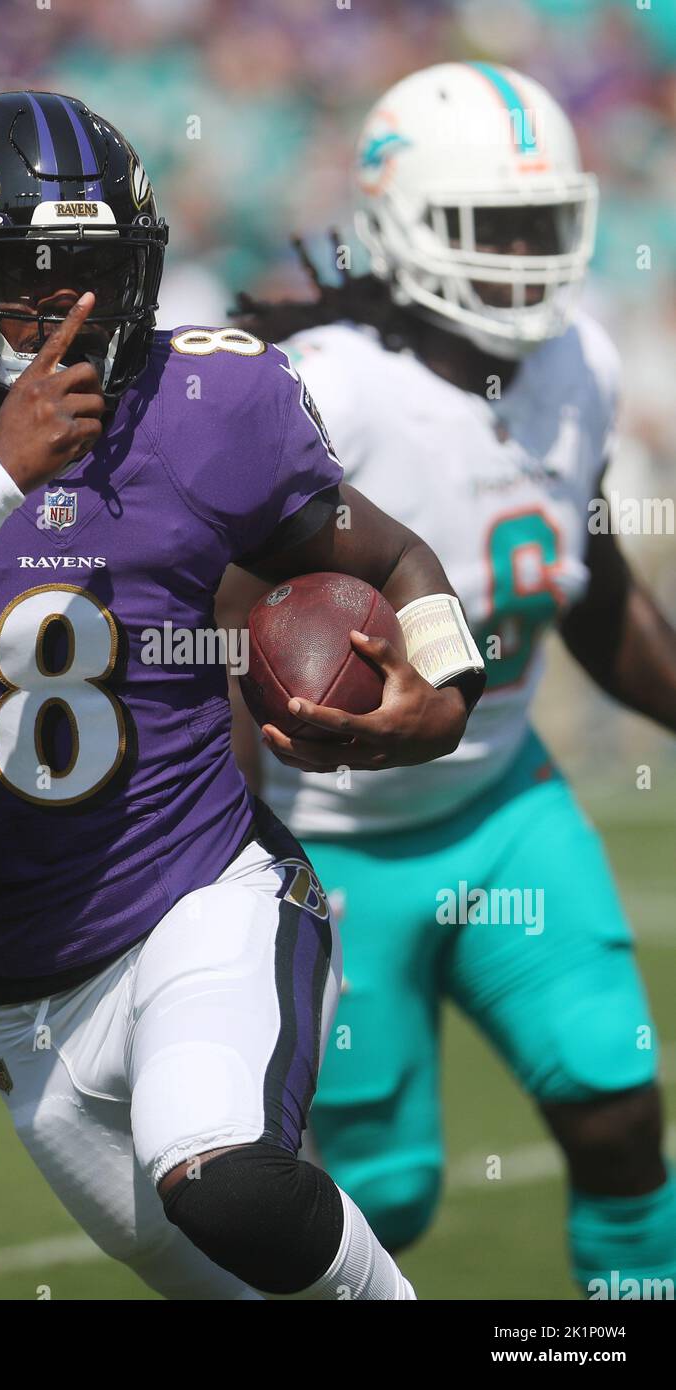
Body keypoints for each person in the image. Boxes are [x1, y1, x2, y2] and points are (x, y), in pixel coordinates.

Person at [0, 91, 485, 1300]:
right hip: (18, 1000)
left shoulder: (204, 396)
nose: (70, 311)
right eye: (25, 277)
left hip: (202, 894)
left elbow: (389, 557)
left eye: (96, 272)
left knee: (225, 1174)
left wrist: (443, 688)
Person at [227, 62, 676, 1296]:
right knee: (389, 1198)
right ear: (400, 222)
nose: (526, 257)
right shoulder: (325, 384)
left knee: (616, 1106)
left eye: (543, 226)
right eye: (494, 229)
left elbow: (591, 593)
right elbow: (217, 636)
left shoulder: (576, 359)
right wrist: (223, 861)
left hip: (502, 810)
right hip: (332, 845)